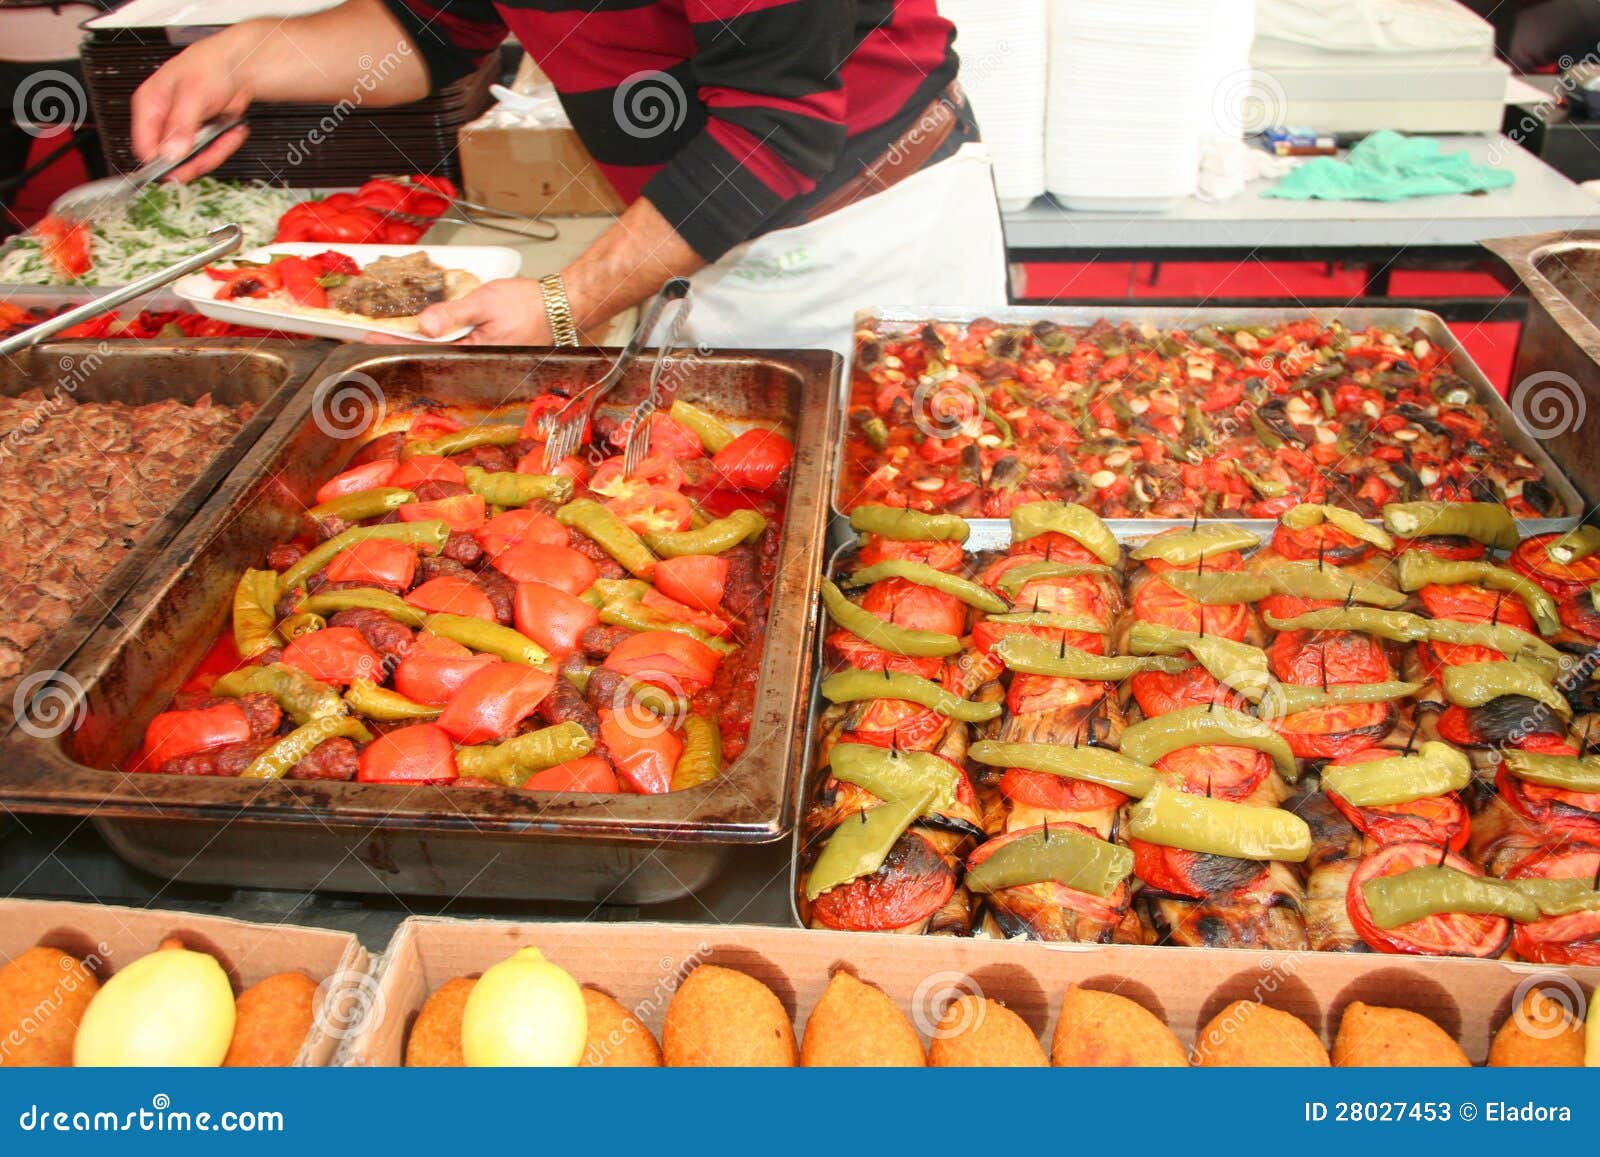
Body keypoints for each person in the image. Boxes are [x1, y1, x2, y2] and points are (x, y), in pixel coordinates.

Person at [131, 0, 1006, 351]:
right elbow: (435, 29)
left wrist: (567, 302)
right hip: (705, 230)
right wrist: (244, 59)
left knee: (875, 556)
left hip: (860, 243)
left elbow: (774, 130)